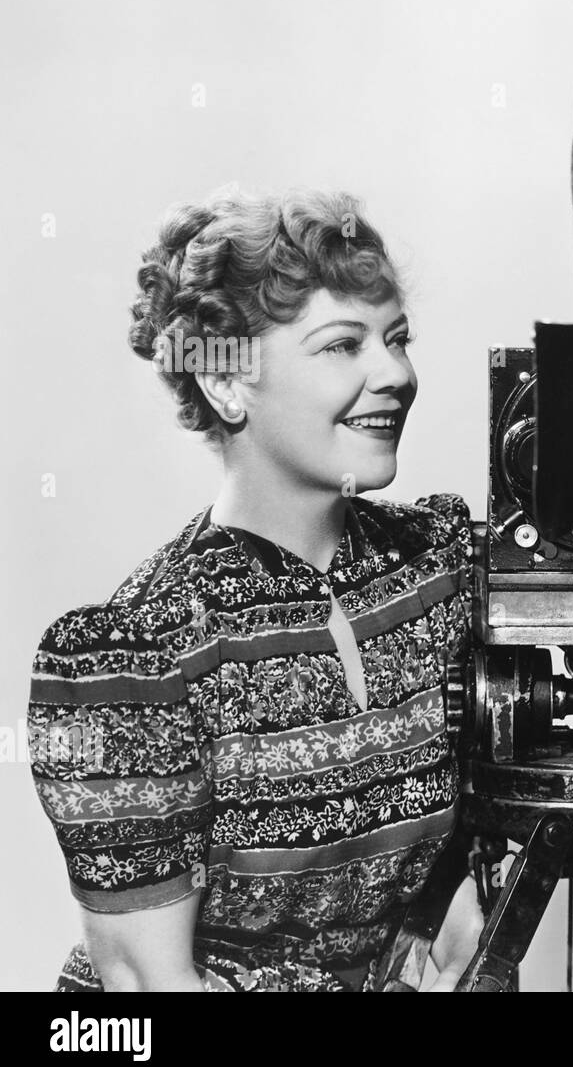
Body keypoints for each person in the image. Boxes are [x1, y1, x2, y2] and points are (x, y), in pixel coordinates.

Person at [27, 188, 483, 991]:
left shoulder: (437, 567)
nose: (396, 374)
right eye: (343, 346)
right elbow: (145, 992)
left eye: (397, 338)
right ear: (228, 385)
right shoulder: (136, 657)